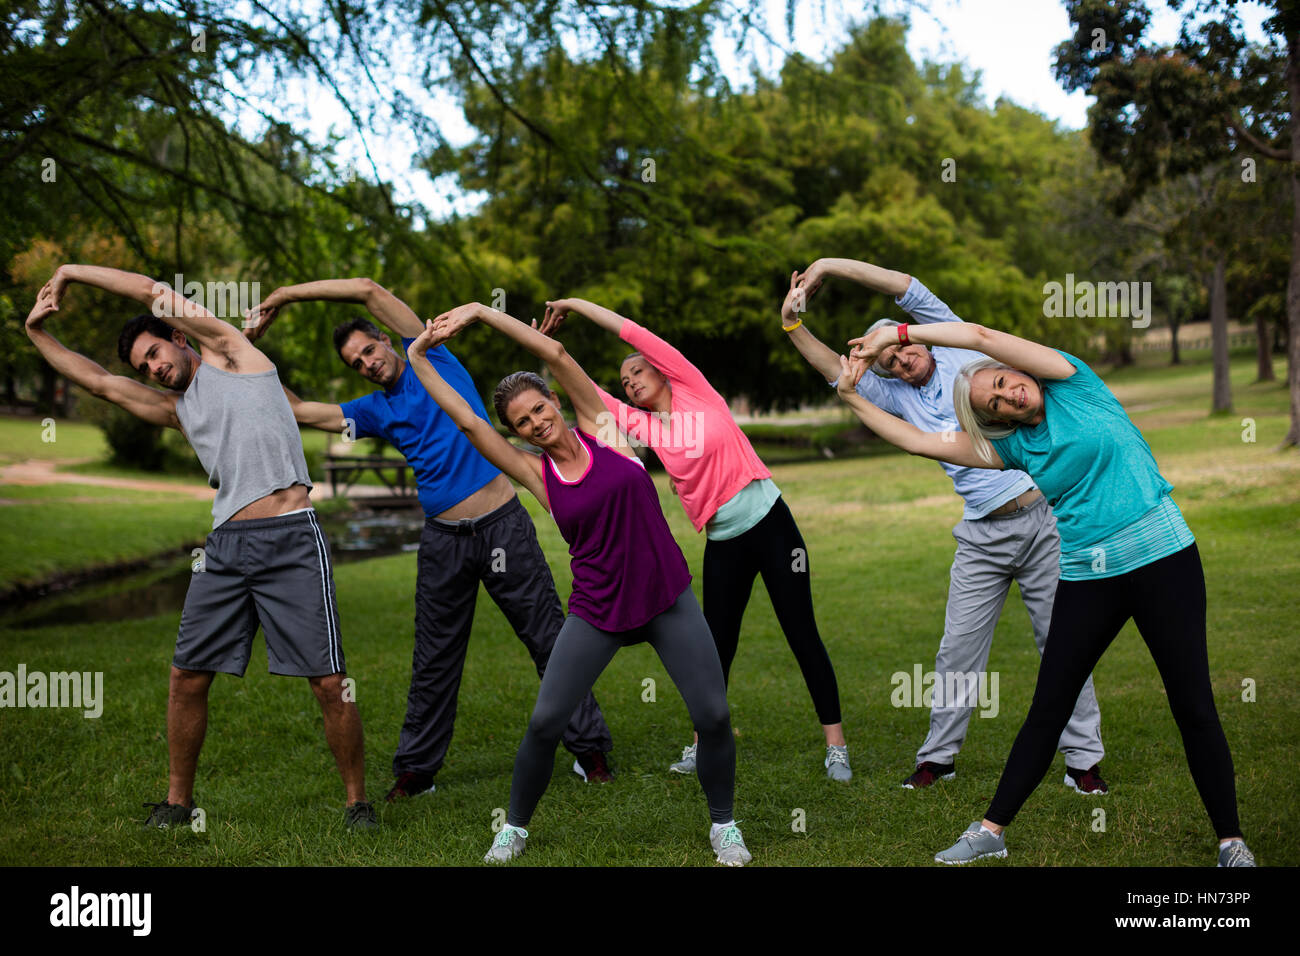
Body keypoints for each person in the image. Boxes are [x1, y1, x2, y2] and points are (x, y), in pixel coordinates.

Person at [832, 318, 1255, 867]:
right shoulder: (1013, 451)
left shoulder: (1072, 381)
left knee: (1193, 704)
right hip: (1086, 577)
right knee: (1047, 707)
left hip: (1163, 559)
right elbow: (915, 440)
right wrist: (851, 396)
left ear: (1015, 372)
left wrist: (902, 336)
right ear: (994, 421)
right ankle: (990, 833)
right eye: (995, 405)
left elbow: (981, 339)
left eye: (1004, 384)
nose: (1009, 397)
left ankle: (1231, 843)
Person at [25, 264, 375, 830]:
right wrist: (37, 333)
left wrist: (68, 273)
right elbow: (98, 383)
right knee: (186, 675)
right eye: (144, 367)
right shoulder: (176, 410)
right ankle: (178, 804)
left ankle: (358, 803)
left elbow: (148, 291)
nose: (154, 369)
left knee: (329, 680)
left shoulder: (234, 355)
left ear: (178, 337)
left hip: (291, 536)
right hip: (227, 545)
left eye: (156, 354)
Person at [404, 300, 750, 865]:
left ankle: (724, 827)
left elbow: (556, 352)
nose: (537, 423)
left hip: (664, 594)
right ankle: (514, 828)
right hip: (597, 607)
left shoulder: (604, 429)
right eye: (522, 422)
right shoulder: (536, 473)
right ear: (516, 432)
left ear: (554, 401)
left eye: (539, 408)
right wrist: (419, 354)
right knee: (545, 721)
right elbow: (466, 421)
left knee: (712, 716)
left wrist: (480, 313)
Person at [245, 280, 614, 799]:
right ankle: (417, 771)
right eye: (356, 363)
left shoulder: (431, 355)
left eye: (369, 350)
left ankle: (589, 749)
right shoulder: (373, 410)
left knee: (549, 639)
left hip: (502, 524)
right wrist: (250, 352)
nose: (368, 363)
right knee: (435, 656)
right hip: (444, 540)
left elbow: (369, 291)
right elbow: (302, 411)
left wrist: (284, 295)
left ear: (386, 340)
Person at [781, 258, 1107, 794]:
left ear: (920, 340)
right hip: (981, 533)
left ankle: (1083, 762)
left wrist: (826, 267)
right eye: (891, 362)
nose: (903, 361)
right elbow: (834, 372)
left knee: (1062, 642)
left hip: (1041, 518)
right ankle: (938, 759)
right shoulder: (896, 396)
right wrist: (794, 324)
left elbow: (903, 286)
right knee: (957, 649)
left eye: (904, 348)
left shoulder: (958, 346)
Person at [538, 298, 852, 782]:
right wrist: (546, 348)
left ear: (662, 371)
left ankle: (836, 746)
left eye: (639, 372)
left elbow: (631, 331)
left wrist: (576, 306)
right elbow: (584, 397)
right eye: (625, 382)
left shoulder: (696, 391)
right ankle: (702, 742)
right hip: (725, 542)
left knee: (801, 632)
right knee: (714, 646)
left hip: (772, 525)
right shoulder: (640, 426)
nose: (632, 381)